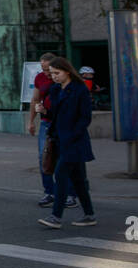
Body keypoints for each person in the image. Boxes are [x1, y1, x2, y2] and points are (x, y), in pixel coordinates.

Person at [38, 57, 97, 229]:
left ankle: (56, 217)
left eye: (57, 73)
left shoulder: (79, 90)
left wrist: (72, 135)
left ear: (67, 72)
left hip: (74, 141)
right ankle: (89, 214)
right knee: (78, 181)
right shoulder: (56, 89)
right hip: (59, 139)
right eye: (52, 73)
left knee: (61, 175)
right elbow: (55, 113)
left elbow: (85, 118)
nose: (54, 76)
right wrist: (44, 111)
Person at [27, 52, 74, 208]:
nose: (47, 73)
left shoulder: (63, 80)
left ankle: (69, 193)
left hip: (63, 123)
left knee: (64, 158)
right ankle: (50, 191)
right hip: (47, 123)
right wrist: (31, 121)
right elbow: (35, 99)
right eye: (44, 69)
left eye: (49, 69)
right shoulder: (40, 78)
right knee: (44, 157)